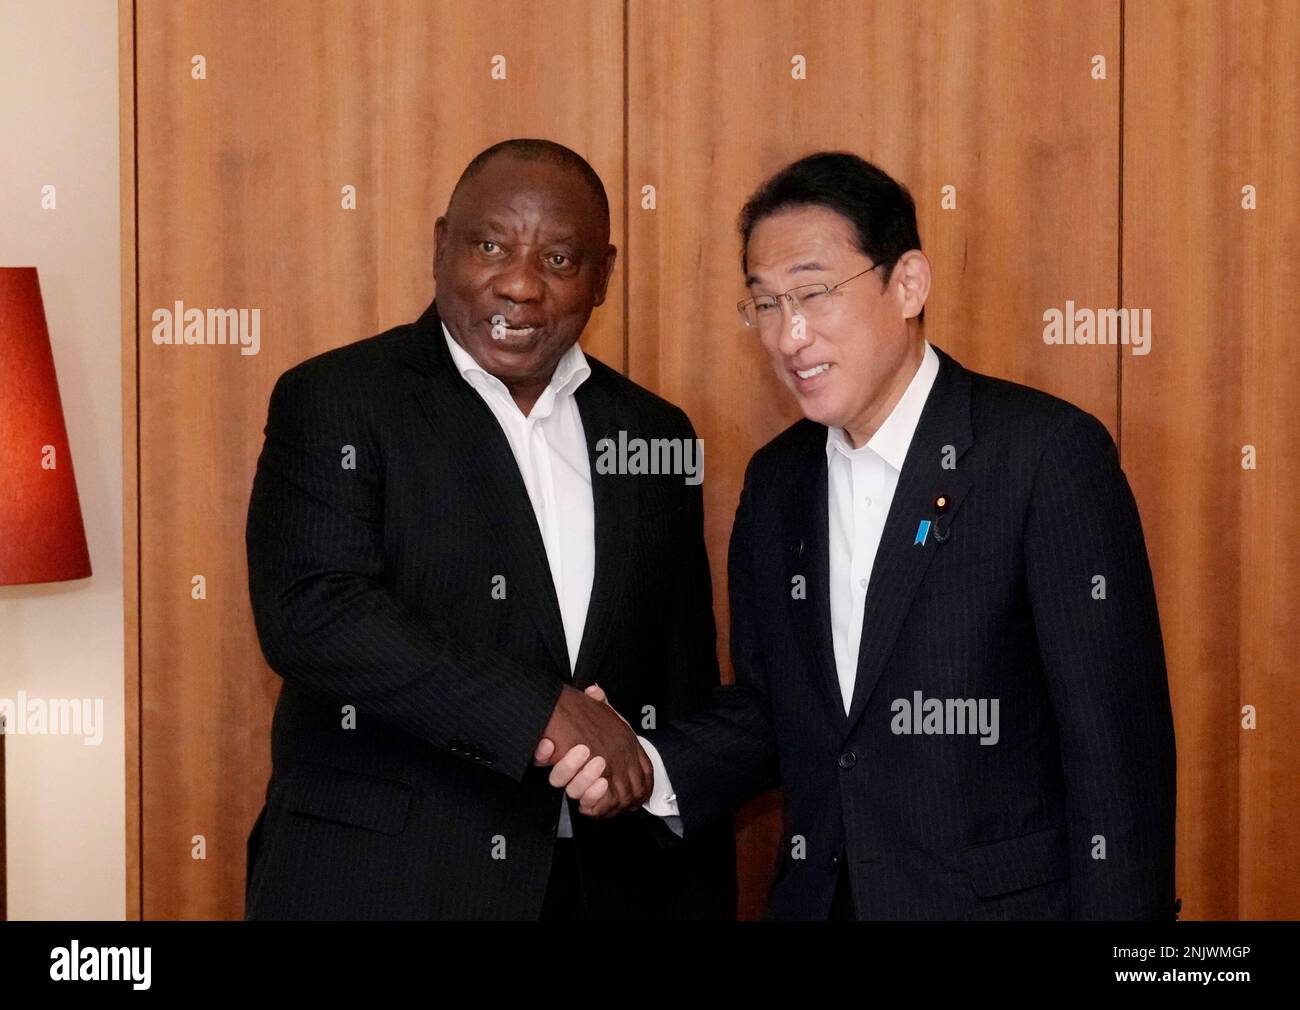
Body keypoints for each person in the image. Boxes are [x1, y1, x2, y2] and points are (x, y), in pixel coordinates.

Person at [546, 151, 1177, 921]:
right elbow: (777, 712)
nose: (790, 335)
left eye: (815, 293)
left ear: (908, 284)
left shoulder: (1043, 456)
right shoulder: (779, 482)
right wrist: (643, 761)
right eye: (766, 304)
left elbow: (1117, 756)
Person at [243, 138, 735, 920]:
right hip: (383, 887)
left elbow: (682, 684)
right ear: (442, 246)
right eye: (490, 247)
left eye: (559, 260)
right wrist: (540, 709)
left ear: (604, 275)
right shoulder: (337, 399)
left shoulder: (653, 432)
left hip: (601, 891)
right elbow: (314, 616)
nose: (520, 284)